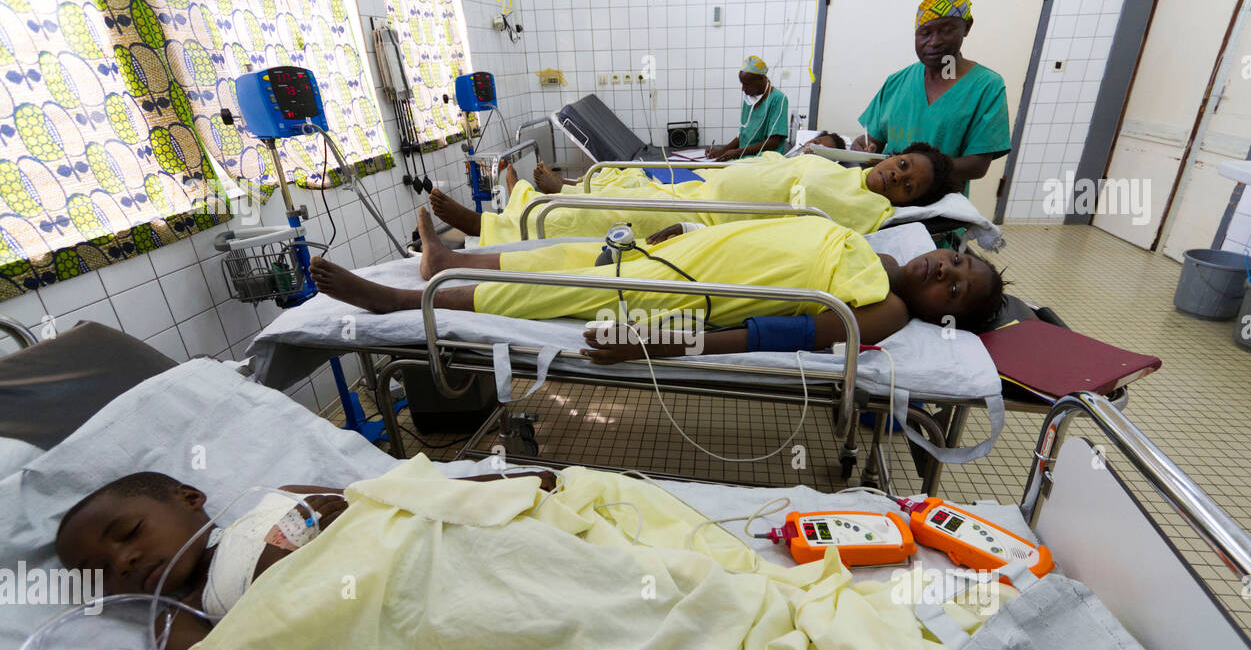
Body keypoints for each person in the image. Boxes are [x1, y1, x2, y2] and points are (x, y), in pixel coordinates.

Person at [307, 206, 1005, 361]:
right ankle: (441, 262)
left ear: (942, 318)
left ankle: (398, 299)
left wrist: (653, 343)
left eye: (952, 290)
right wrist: (686, 235)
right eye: (956, 263)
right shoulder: (876, 251)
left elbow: (776, 330)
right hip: (687, 253)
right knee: (560, 258)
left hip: (679, 296)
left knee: (543, 293)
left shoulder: (880, 310)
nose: (943, 271)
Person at [56, 469, 557, 650]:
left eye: (128, 534)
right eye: (101, 572)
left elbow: (394, 494)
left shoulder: (277, 499)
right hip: (416, 605)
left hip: (437, 543)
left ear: (190, 498)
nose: (123, 561)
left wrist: (500, 481)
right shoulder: (180, 615)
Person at [428, 144, 955, 245]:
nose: (896, 177)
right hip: (707, 189)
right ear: (892, 155)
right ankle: (534, 192)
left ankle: (489, 226)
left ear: (907, 202)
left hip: (715, 217)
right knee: (626, 181)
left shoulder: (870, 208)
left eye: (909, 186)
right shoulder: (848, 170)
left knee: (608, 216)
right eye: (902, 165)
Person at [851, 0, 1010, 196]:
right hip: (887, 201)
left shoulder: (986, 87)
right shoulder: (897, 82)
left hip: (940, 212)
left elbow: (977, 165)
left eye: (946, 30)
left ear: (967, 27)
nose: (934, 42)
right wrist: (863, 148)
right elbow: (872, 142)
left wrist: (922, 171)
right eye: (925, 33)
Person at [706, 56, 791, 160]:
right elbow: (743, 134)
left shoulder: (778, 99)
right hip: (744, 157)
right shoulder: (750, 98)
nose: (743, 89)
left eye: (747, 84)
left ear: (761, 79)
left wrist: (737, 153)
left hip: (765, 159)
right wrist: (722, 151)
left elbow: (773, 142)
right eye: (742, 84)